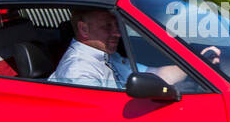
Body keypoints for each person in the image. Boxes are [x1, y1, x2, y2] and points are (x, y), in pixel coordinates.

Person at [50, 8, 185, 89]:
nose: (117, 33)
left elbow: (153, 74)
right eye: (107, 27)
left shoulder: (108, 55)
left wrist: (193, 69)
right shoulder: (78, 72)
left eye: (117, 25)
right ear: (84, 29)